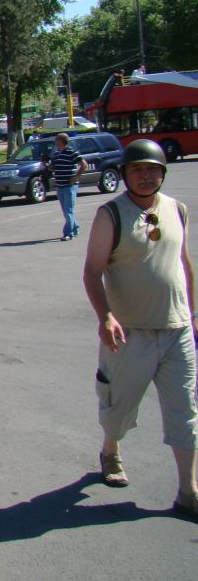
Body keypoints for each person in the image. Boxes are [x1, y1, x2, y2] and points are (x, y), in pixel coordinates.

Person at [82, 139, 197, 520]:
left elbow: (183, 263)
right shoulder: (110, 215)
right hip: (129, 333)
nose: (146, 176)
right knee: (118, 406)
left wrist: (193, 315)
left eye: (153, 170)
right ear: (126, 174)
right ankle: (111, 450)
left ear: (163, 172)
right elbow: (93, 271)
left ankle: (187, 491)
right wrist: (105, 316)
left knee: (185, 411)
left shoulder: (177, 209)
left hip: (177, 330)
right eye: (137, 170)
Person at [44, 133, 85, 241]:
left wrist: (76, 177)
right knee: (66, 211)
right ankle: (75, 228)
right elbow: (53, 168)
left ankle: (69, 233)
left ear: (62, 141)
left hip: (70, 186)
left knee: (68, 210)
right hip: (60, 185)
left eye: (57, 140)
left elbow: (84, 164)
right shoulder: (56, 153)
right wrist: (46, 165)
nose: (55, 142)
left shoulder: (71, 152)